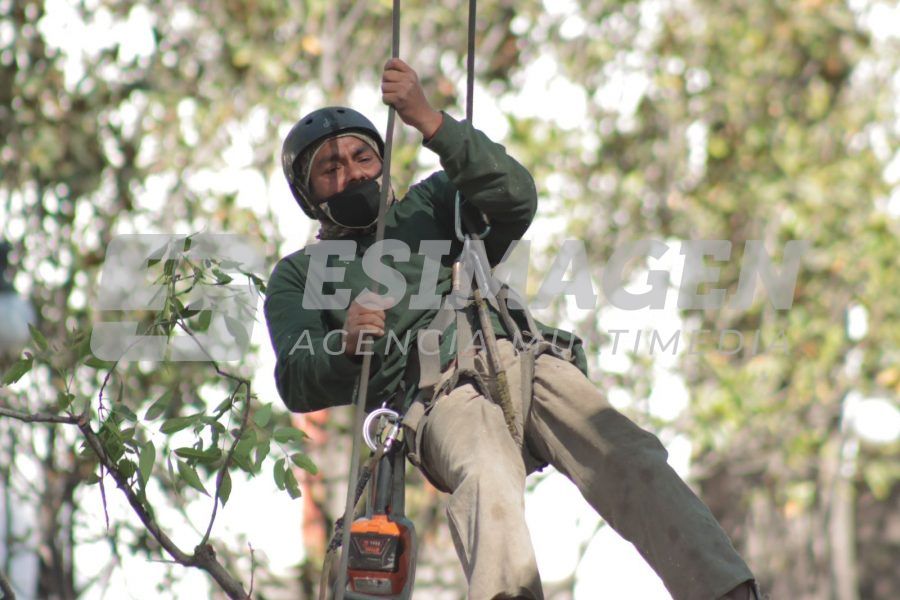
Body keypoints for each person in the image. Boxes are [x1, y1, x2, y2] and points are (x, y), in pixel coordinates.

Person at [264, 58, 760, 600]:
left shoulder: (433, 205)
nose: (353, 173)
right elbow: (296, 375)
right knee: (488, 481)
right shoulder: (300, 273)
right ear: (307, 191)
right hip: (437, 398)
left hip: (520, 354)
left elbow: (516, 196)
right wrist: (346, 345)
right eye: (330, 168)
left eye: (364, 156)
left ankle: (726, 590)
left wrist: (429, 120)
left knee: (627, 455)